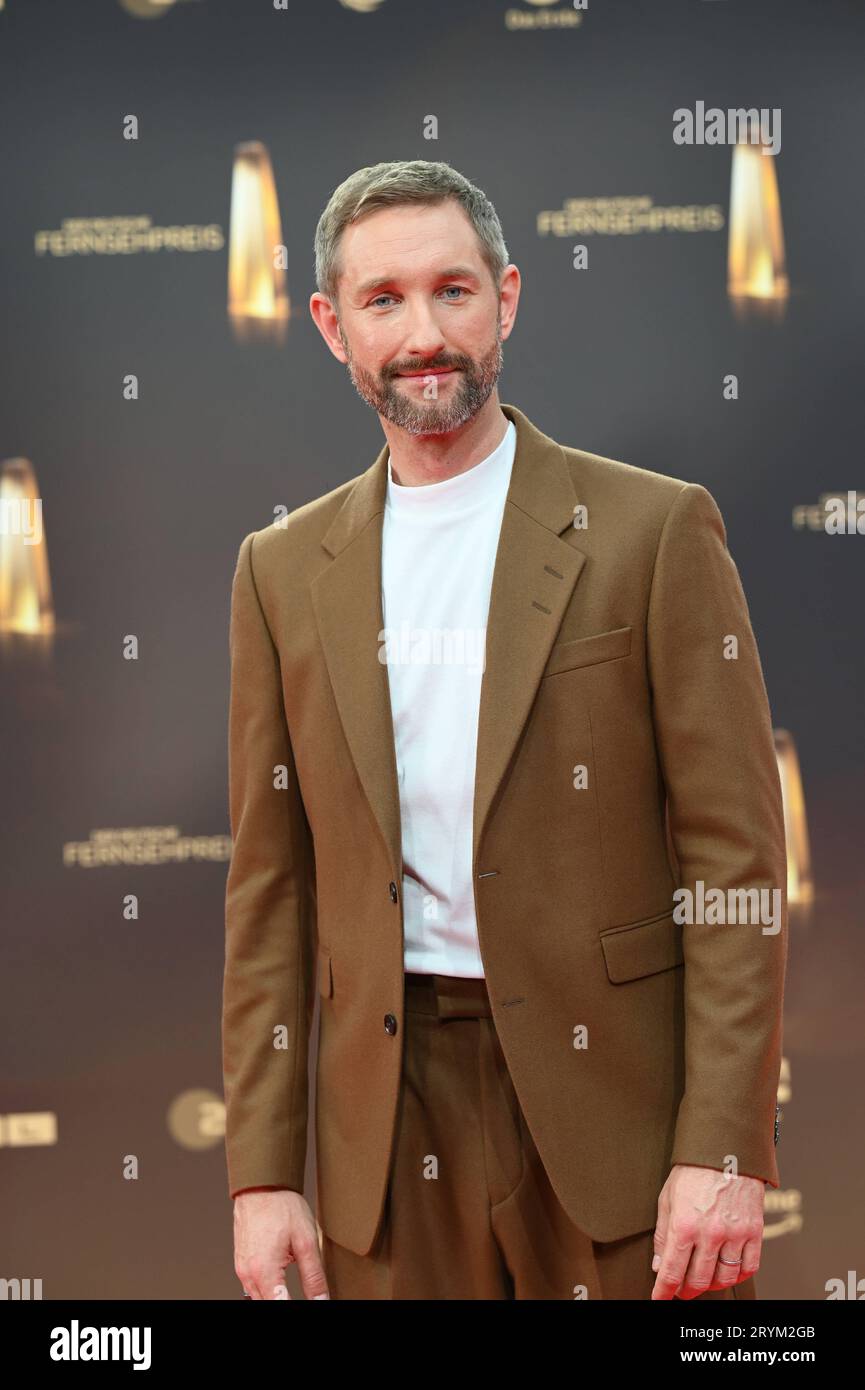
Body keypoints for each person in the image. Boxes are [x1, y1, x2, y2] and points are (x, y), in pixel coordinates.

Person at [222, 159, 787, 1301]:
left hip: (617, 1113)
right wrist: (261, 1173)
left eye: (454, 290)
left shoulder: (652, 530)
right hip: (385, 1121)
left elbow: (736, 863)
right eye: (383, 300)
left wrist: (721, 1145)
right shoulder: (280, 570)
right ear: (332, 325)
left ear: (508, 298)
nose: (424, 332)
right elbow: (270, 888)